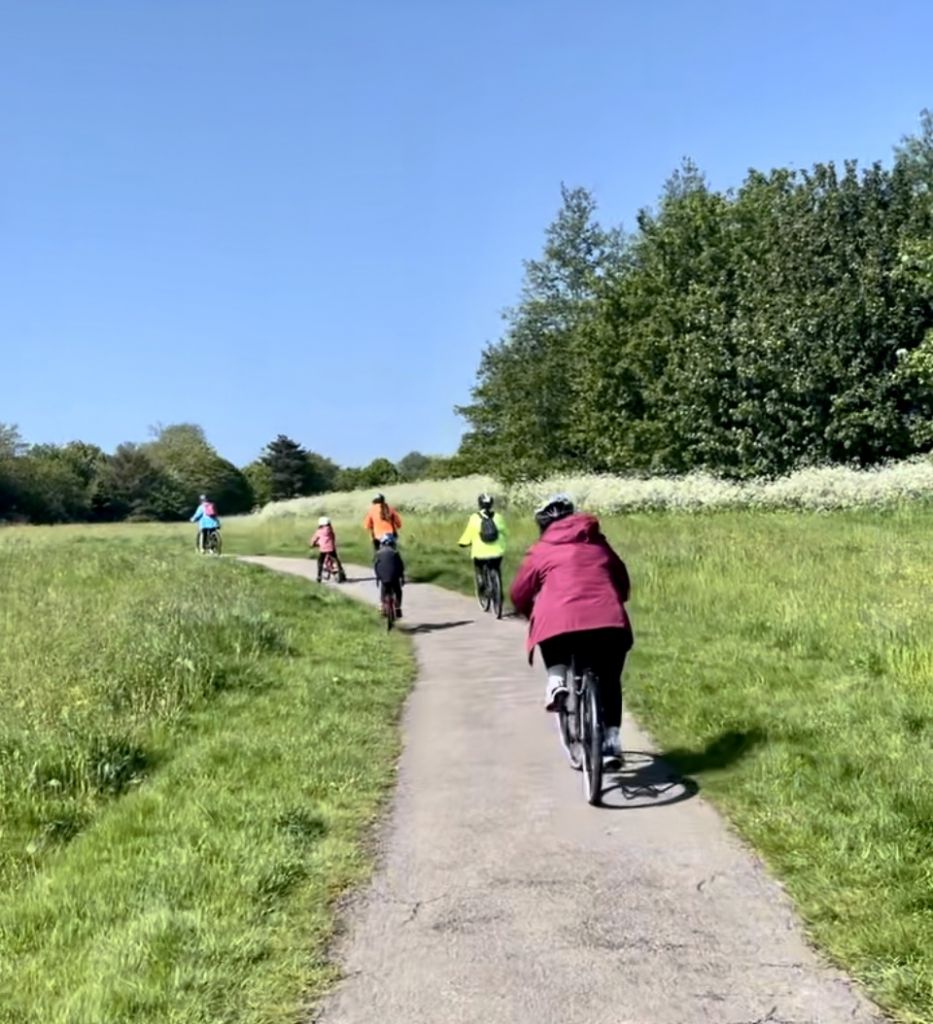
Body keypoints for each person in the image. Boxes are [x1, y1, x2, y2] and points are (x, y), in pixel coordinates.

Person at [509, 494, 633, 762]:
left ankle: (556, 682)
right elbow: (622, 579)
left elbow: (519, 592)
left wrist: (529, 613)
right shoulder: (599, 543)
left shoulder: (541, 549)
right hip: (607, 620)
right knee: (609, 678)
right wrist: (615, 600)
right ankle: (611, 742)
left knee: (552, 632)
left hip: (559, 622)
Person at [458, 492, 507, 598]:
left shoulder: (474, 518)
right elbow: (506, 533)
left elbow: (468, 533)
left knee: (479, 567)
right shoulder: (498, 517)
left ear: (479, 504)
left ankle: (481, 582)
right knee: (496, 567)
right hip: (497, 551)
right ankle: (498, 588)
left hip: (480, 552)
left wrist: (463, 543)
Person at [373, 533, 405, 619]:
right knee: (398, 591)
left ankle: (382, 605)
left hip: (383, 578)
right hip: (394, 577)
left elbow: (376, 566)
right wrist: (402, 577)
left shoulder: (378, 553)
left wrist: (378, 577)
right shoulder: (395, 552)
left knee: (383, 590)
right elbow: (400, 566)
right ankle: (398, 607)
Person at [309, 516, 347, 583]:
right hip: (331, 548)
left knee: (320, 562)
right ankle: (341, 573)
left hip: (323, 549)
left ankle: (319, 576)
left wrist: (312, 544)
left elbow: (314, 539)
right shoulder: (330, 530)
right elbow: (333, 537)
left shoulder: (319, 531)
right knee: (336, 560)